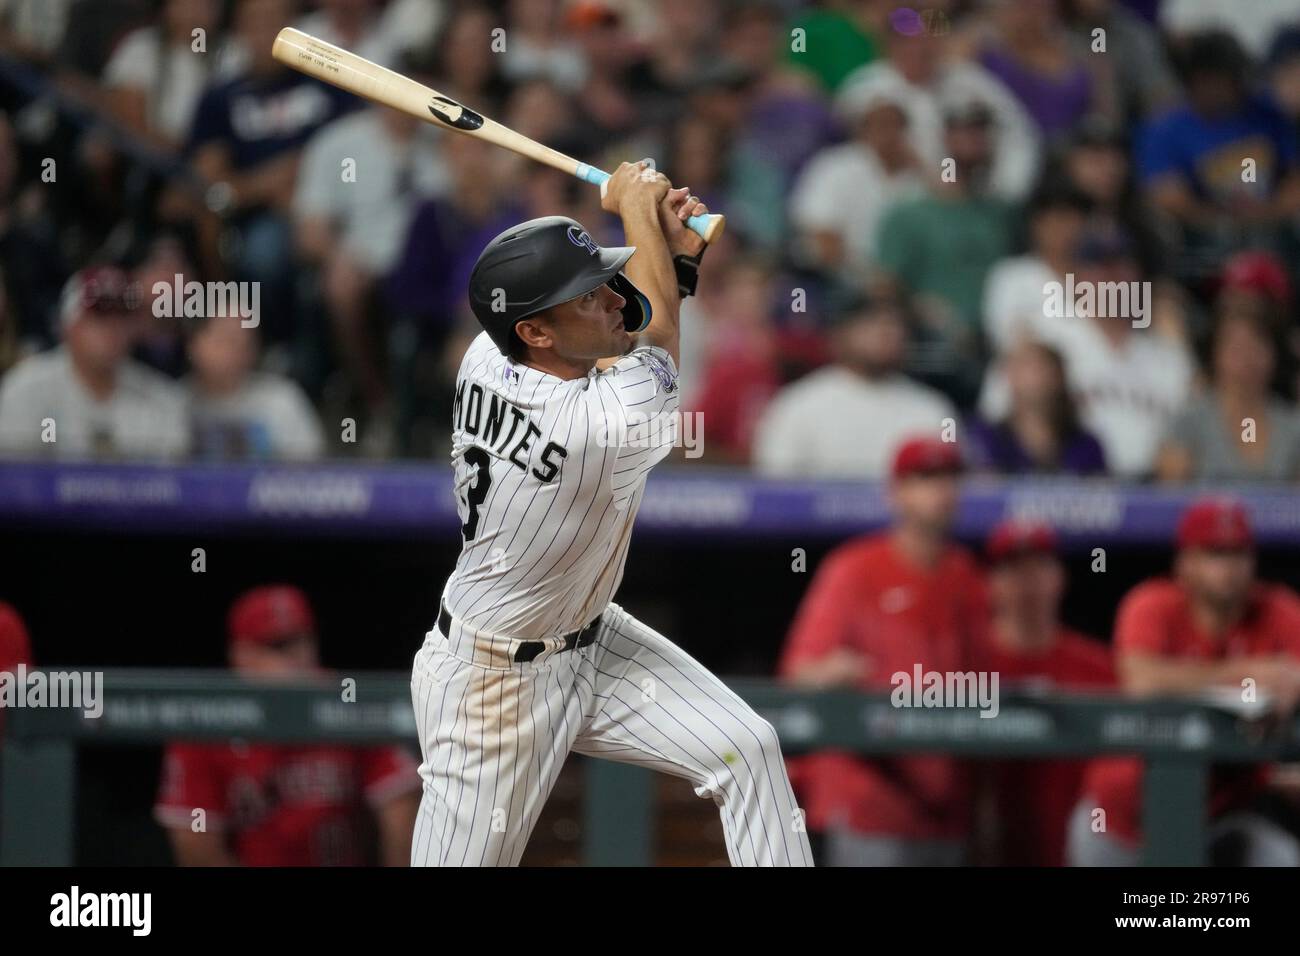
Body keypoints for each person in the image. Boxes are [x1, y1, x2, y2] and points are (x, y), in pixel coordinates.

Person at [409, 161, 812, 866]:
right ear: (534, 331)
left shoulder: (487, 350)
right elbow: (651, 352)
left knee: (746, 749)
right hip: (492, 689)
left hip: (590, 639)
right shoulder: (594, 430)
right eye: (588, 295)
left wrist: (669, 262)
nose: (611, 300)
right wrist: (636, 212)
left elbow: (626, 333)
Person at [779, 436, 985, 866]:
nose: (941, 490)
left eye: (949, 478)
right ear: (896, 492)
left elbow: (986, 679)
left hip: (947, 802)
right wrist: (835, 674)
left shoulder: (967, 575)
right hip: (869, 798)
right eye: (925, 478)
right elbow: (799, 671)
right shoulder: (853, 569)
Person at [1069, 498, 1300, 866]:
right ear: (1185, 563)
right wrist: (1249, 672)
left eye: (1238, 554)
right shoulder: (1153, 603)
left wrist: (1291, 682)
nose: (1229, 568)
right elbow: (1141, 681)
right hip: (1120, 820)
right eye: (1214, 554)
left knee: (1280, 858)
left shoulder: (1277, 609)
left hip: (1222, 818)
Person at [154, 585, 421, 866]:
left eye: (302, 640)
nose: (298, 657)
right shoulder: (209, 722)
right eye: (278, 646)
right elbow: (194, 844)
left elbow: (401, 808)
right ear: (241, 654)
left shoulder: (348, 705)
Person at [972, 519, 1113, 866]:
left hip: (1080, 848)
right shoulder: (965, 662)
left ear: (1059, 578)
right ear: (991, 584)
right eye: (1012, 570)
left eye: (1038, 567)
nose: (1026, 582)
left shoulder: (1098, 666)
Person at [752, 292, 955, 479]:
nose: (884, 333)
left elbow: (954, 479)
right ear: (840, 334)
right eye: (870, 323)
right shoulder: (798, 403)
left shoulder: (933, 407)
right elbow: (776, 486)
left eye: (894, 325)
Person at [0, 267, 188, 460]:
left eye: (122, 316)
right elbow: (16, 482)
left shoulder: (161, 400)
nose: (113, 329)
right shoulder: (25, 391)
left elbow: (171, 484)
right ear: (68, 325)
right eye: (100, 316)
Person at [789, 85, 927, 283]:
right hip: (838, 279)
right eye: (880, 124)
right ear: (862, 128)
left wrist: (924, 168)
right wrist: (870, 279)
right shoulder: (835, 165)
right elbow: (822, 238)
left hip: (905, 282)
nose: (889, 133)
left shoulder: (919, 176)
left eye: (896, 124)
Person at [1157, 308, 1300, 481]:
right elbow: (1169, 495)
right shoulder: (1189, 420)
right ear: (1215, 355)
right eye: (1237, 348)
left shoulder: (1292, 424)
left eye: (1257, 346)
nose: (1249, 358)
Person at [184, 312, 325, 460]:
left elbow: (309, 473)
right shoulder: (173, 403)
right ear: (194, 344)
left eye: (247, 341)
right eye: (227, 338)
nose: (238, 349)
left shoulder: (282, 399)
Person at [965, 340, 1107, 476]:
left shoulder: (1086, 446)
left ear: (1059, 377)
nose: (1038, 378)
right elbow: (986, 491)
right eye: (1028, 367)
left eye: (1045, 368)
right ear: (1010, 376)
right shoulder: (987, 439)